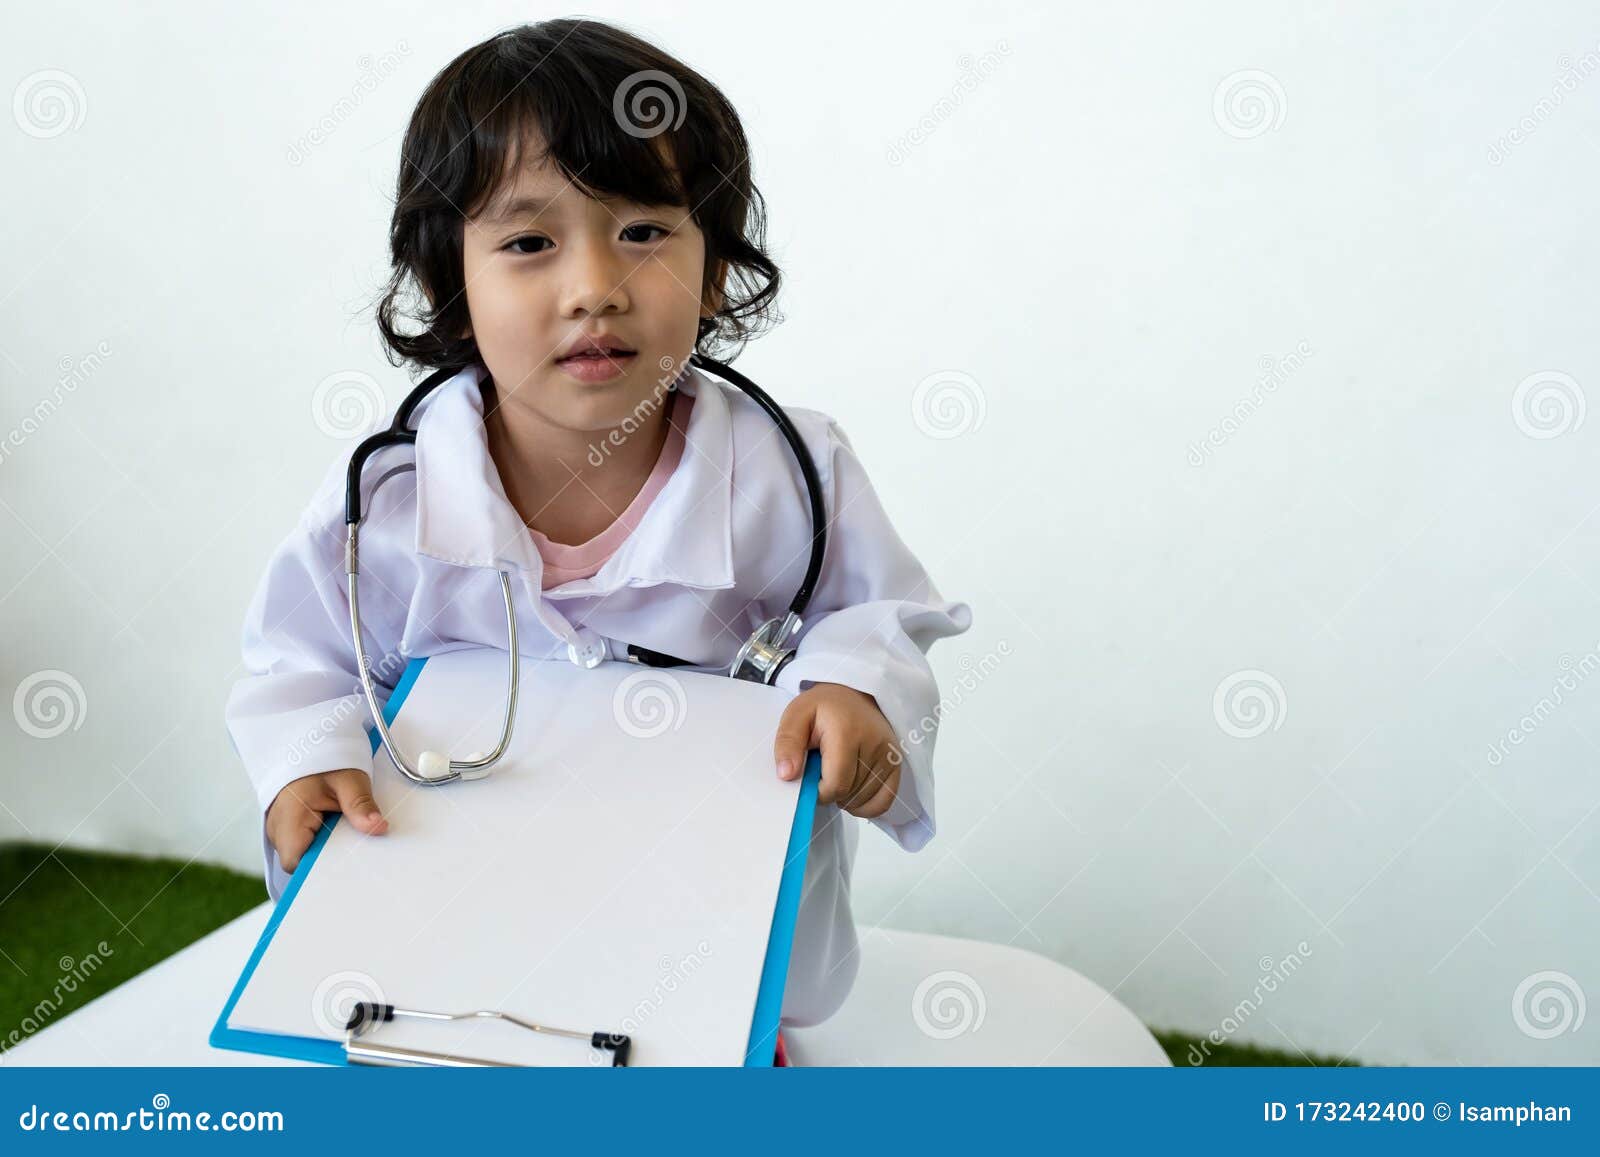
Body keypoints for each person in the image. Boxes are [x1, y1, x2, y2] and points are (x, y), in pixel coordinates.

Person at [224, 18, 971, 1060]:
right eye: (530, 243)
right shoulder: (387, 499)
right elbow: (301, 665)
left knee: (700, 1041)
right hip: (460, 911)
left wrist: (852, 686)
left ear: (714, 271)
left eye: (644, 232)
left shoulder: (786, 472)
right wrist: (307, 764)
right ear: (453, 284)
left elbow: (875, 613)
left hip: (705, 907)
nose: (594, 287)